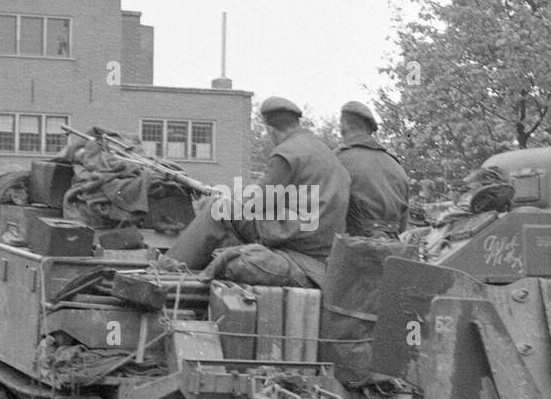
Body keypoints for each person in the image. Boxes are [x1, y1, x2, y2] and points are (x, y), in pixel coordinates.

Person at [163, 96, 350, 286]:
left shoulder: (287, 153)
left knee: (218, 207)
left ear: (270, 129)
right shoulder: (327, 153)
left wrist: (228, 197)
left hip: (294, 242)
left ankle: (167, 269)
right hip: (319, 245)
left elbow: (255, 203)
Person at [335, 101, 410, 240]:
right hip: (392, 252)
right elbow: (403, 224)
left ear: (344, 125)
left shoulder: (336, 160)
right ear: (370, 130)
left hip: (349, 252)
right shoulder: (396, 166)